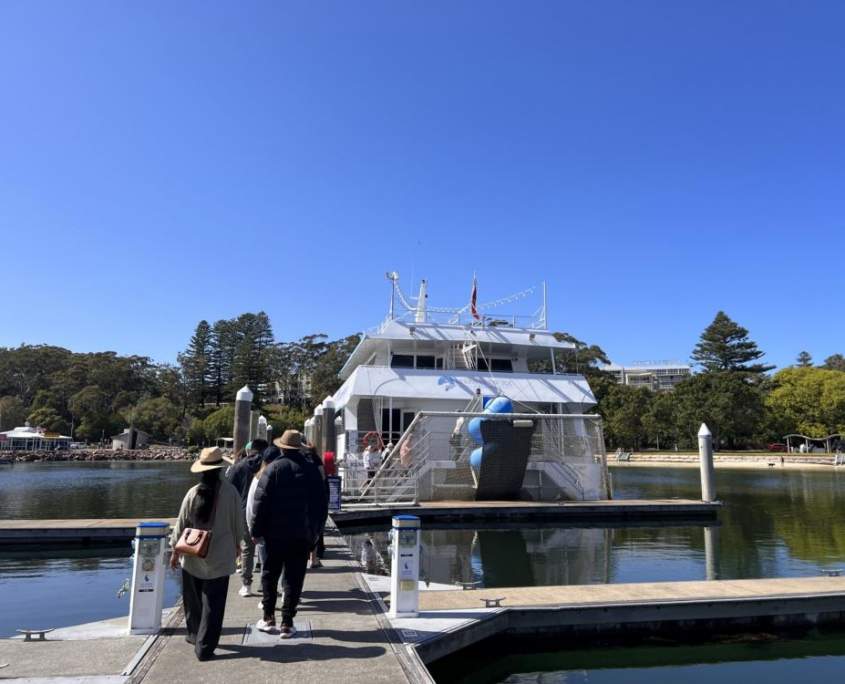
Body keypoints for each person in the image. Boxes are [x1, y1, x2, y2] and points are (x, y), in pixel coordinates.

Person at [250, 430, 328, 638]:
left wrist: (256, 531)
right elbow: (321, 506)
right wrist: (315, 533)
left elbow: (260, 503)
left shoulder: (273, 468)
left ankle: (268, 617)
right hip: (301, 535)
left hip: (274, 534)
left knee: (270, 575)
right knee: (294, 578)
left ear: (282, 447)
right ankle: (287, 621)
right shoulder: (311, 471)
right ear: (299, 447)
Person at [170, 447, 242, 661]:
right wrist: (238, 546)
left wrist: (175, 551)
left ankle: (193, 635)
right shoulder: (231, 493)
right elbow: (238, 525)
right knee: (214, 604)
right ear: (221, 469)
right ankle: (205, 646)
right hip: (220, 557)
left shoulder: (193, 493)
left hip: (192, 556)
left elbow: (180, 525)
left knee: (192, 601)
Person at [225, 439, 268, 598]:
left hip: (243, 510)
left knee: (247, 548)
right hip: (265, 511)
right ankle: (265, 584)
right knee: (265, 546)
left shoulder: (238, 466)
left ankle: (246, 585)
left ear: (250, 450)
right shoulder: (268, 467)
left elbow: (229, 490)